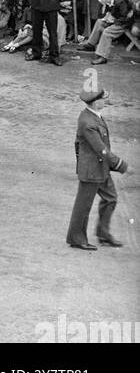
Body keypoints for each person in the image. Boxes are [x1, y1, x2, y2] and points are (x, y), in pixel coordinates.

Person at [65, 87, 128, 250]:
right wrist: (121, 165)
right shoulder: (88, 122)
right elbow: (101, 149)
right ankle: (77, 238)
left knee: (110, 198)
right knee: (83, 205)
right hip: (92, 170)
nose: (106, 101)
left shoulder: (92, 116)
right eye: (103, 99)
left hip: (100, 168)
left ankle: (103, 233)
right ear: (95, 102)